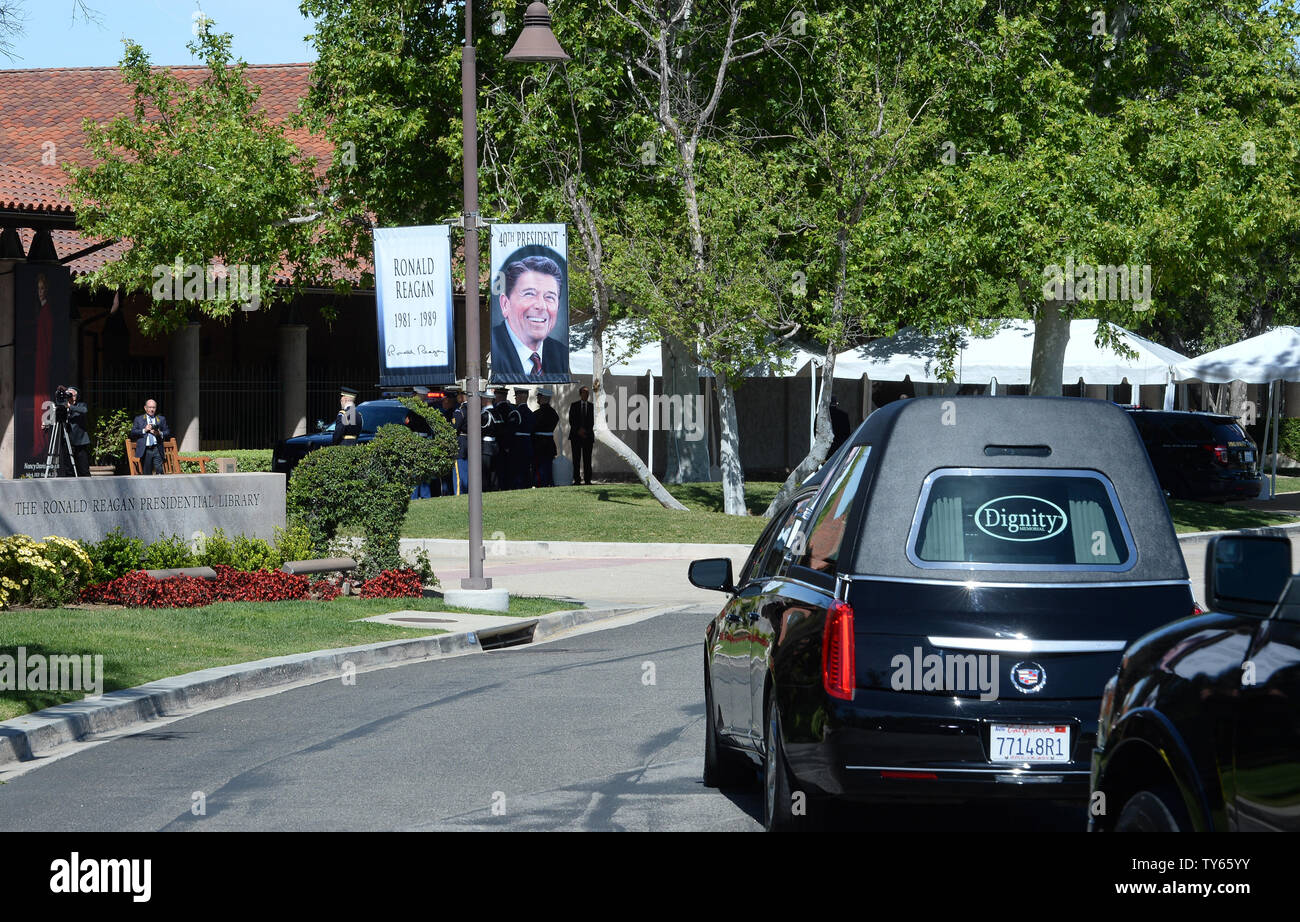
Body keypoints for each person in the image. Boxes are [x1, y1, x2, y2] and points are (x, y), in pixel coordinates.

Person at [490, 255, 569, 378]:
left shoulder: (562, 354)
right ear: (505, 304)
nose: (541, 306)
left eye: (549, 297)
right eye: (529, 294)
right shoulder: (493, 348)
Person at [130, 398, 171, 474]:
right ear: (145, 408)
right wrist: (144, 430)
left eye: (154, 407)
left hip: (157, 448)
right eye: (150, 407)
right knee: (147, 472)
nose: (152, 409)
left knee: (159, 471)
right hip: (146, 449)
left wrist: (159, 433)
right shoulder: (139, 419)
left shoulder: (161, 419)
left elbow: (167, 432)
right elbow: (133, 433)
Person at [58, 385, 90, 478]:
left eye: (71, 394)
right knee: (68, 468)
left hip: (80, 441)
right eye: (68, 394)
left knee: (83, 468)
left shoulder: (81, 405)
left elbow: (84, 410)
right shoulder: (63, 406)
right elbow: (54, 415)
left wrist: (70, 406)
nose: (69, 396)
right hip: (67, 440)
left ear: (76, 396)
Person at [532, 388, 559, 487]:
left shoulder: (536, 414)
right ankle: (548, 482)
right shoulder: (554, 413)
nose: (537, 398)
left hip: (539, 444)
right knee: (548, 465)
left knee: (540, 467)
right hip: (549, 443)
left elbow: (533, 428)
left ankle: (540, 483)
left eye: (539, 396)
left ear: (543, 398)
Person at [509, 386, 535, 489]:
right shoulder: (531, 413)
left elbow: (511, 431)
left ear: (519, 397)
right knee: (526, 468)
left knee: (518, 468)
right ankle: (527, 485)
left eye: (516, 397)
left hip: (518, 444)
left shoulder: (516, 413)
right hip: (528, 443)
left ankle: (518, 486)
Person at [568, 385, 595, 485]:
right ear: (580, 394)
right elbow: (571, 420)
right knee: (576, 459)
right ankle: (577, 480)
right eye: (584, 392)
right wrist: (578, 430)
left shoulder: (592, 406)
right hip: (576, 436)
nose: (586, 394)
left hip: (588, 437)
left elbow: (593, 421)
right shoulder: (574, 405)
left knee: (587, 459)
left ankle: (588, 480)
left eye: (587, 393)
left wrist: (586, 432)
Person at [492, 387, 516, 491]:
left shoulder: (498, 410)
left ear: (498, 396)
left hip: (499, 444)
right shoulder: (511, 409)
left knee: (500, 469)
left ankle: (500, 487)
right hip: (509, 444)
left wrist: (504, 444)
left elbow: (502, 430)